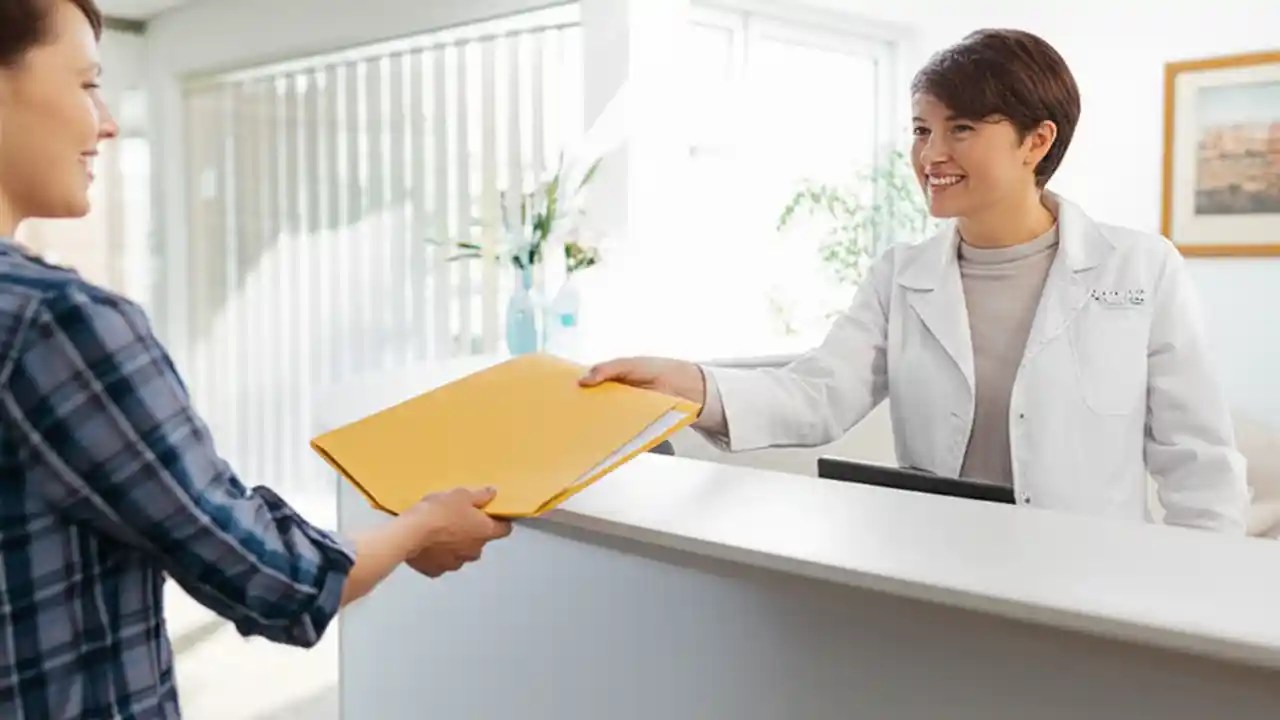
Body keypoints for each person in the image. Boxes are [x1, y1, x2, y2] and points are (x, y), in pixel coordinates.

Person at [0, 1, 511, 716]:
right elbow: (269, 576)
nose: (108, 121)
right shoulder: (58, 322)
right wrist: (421, 527)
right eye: (87, 84)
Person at [583, 28, 1249, 533]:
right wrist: (690, 386)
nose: (931, 156)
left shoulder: (1140, 268)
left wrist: (1198, 604)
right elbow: (820, 393)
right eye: (922, 130)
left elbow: (1197, 460)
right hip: (939, 570)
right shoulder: (901, 275)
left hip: (1096, 585)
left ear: (1036, 142)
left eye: (961, 129)